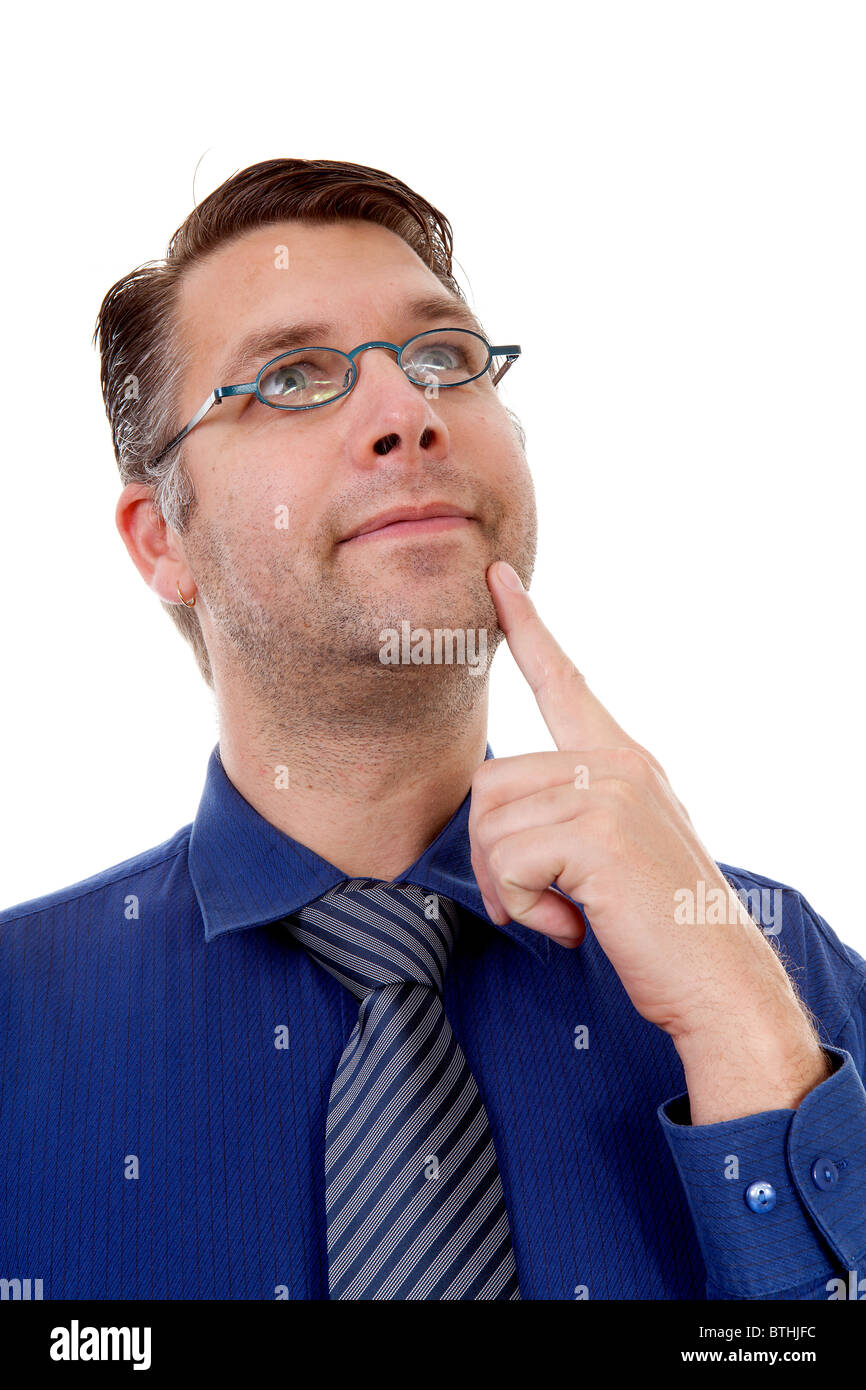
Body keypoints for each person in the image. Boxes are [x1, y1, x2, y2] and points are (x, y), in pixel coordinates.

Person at [1, 158, 864, 1302]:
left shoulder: (774, 965)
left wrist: (746, 1044)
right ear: (162, 538)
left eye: (443, 359)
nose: (406, 413)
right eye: (293, 376)